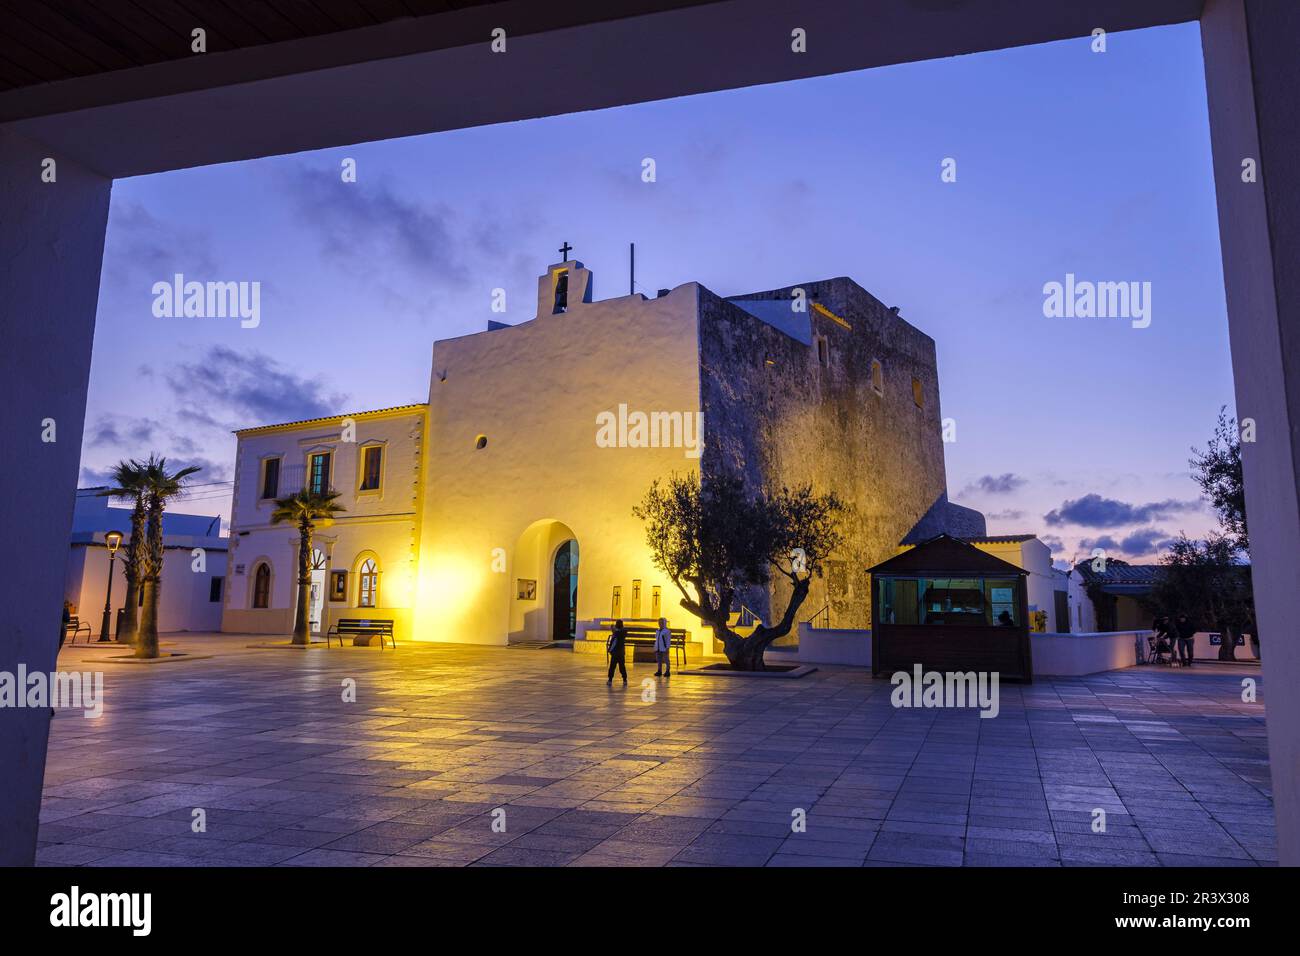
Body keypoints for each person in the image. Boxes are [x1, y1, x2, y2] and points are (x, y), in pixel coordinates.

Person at [606, 619, 628, 686]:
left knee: (612, 667)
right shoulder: (623, 632)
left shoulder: (617, 634)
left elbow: (613, 644)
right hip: (621, 653)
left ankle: (610, 680)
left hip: (615, 653)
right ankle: (624, 679)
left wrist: (610, 650)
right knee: (622, 667)